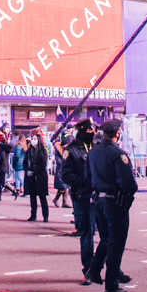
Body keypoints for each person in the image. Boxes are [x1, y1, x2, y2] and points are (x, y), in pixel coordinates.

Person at [86, 119, 137, 292]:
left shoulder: (93, 152)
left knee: (106, 238)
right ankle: (111, 284)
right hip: (114, 201)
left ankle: (94, 269)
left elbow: (87, 176)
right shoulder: (118, 154)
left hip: (98, 199)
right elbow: (128, 182)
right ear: (117, 134)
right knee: (117, 242)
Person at [60, 119, 98, 280]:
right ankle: (88, 268)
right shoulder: (70, 150)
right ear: (81, 131)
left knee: (107, 234)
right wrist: (83, 182)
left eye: (93, 130)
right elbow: (66, 174)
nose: (92, 133)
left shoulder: (97, 146)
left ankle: (113, 270)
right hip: (82, 196)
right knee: (87, 233)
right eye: (89, 130)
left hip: (100, 195)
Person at [25, 127, 50, 222]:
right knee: (32, 197)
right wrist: (27, 170)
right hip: (31, 177)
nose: (33, 141)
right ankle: (33, 215)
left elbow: (43, 164)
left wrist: (34, 171)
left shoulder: (42, 151)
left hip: (40, 176)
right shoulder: (29, 151)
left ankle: (45, 216)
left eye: (35, 139)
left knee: (42, 197)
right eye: (32, 139)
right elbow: (25, 162)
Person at [0, 131, 14, 200]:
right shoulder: (6, 147)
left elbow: (2, 157)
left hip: (2, 166)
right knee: (0, 181)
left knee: (1, 182)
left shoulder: (1, 147)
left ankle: (13, 191)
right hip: (5, 166)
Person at [52, 138, 69, 208]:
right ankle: (56, 199)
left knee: (66, 187)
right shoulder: (58, 151)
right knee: (62, 187)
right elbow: (59, 162)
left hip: (65, 170)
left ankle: (64, 202)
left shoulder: (65, 150)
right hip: (60, 171)